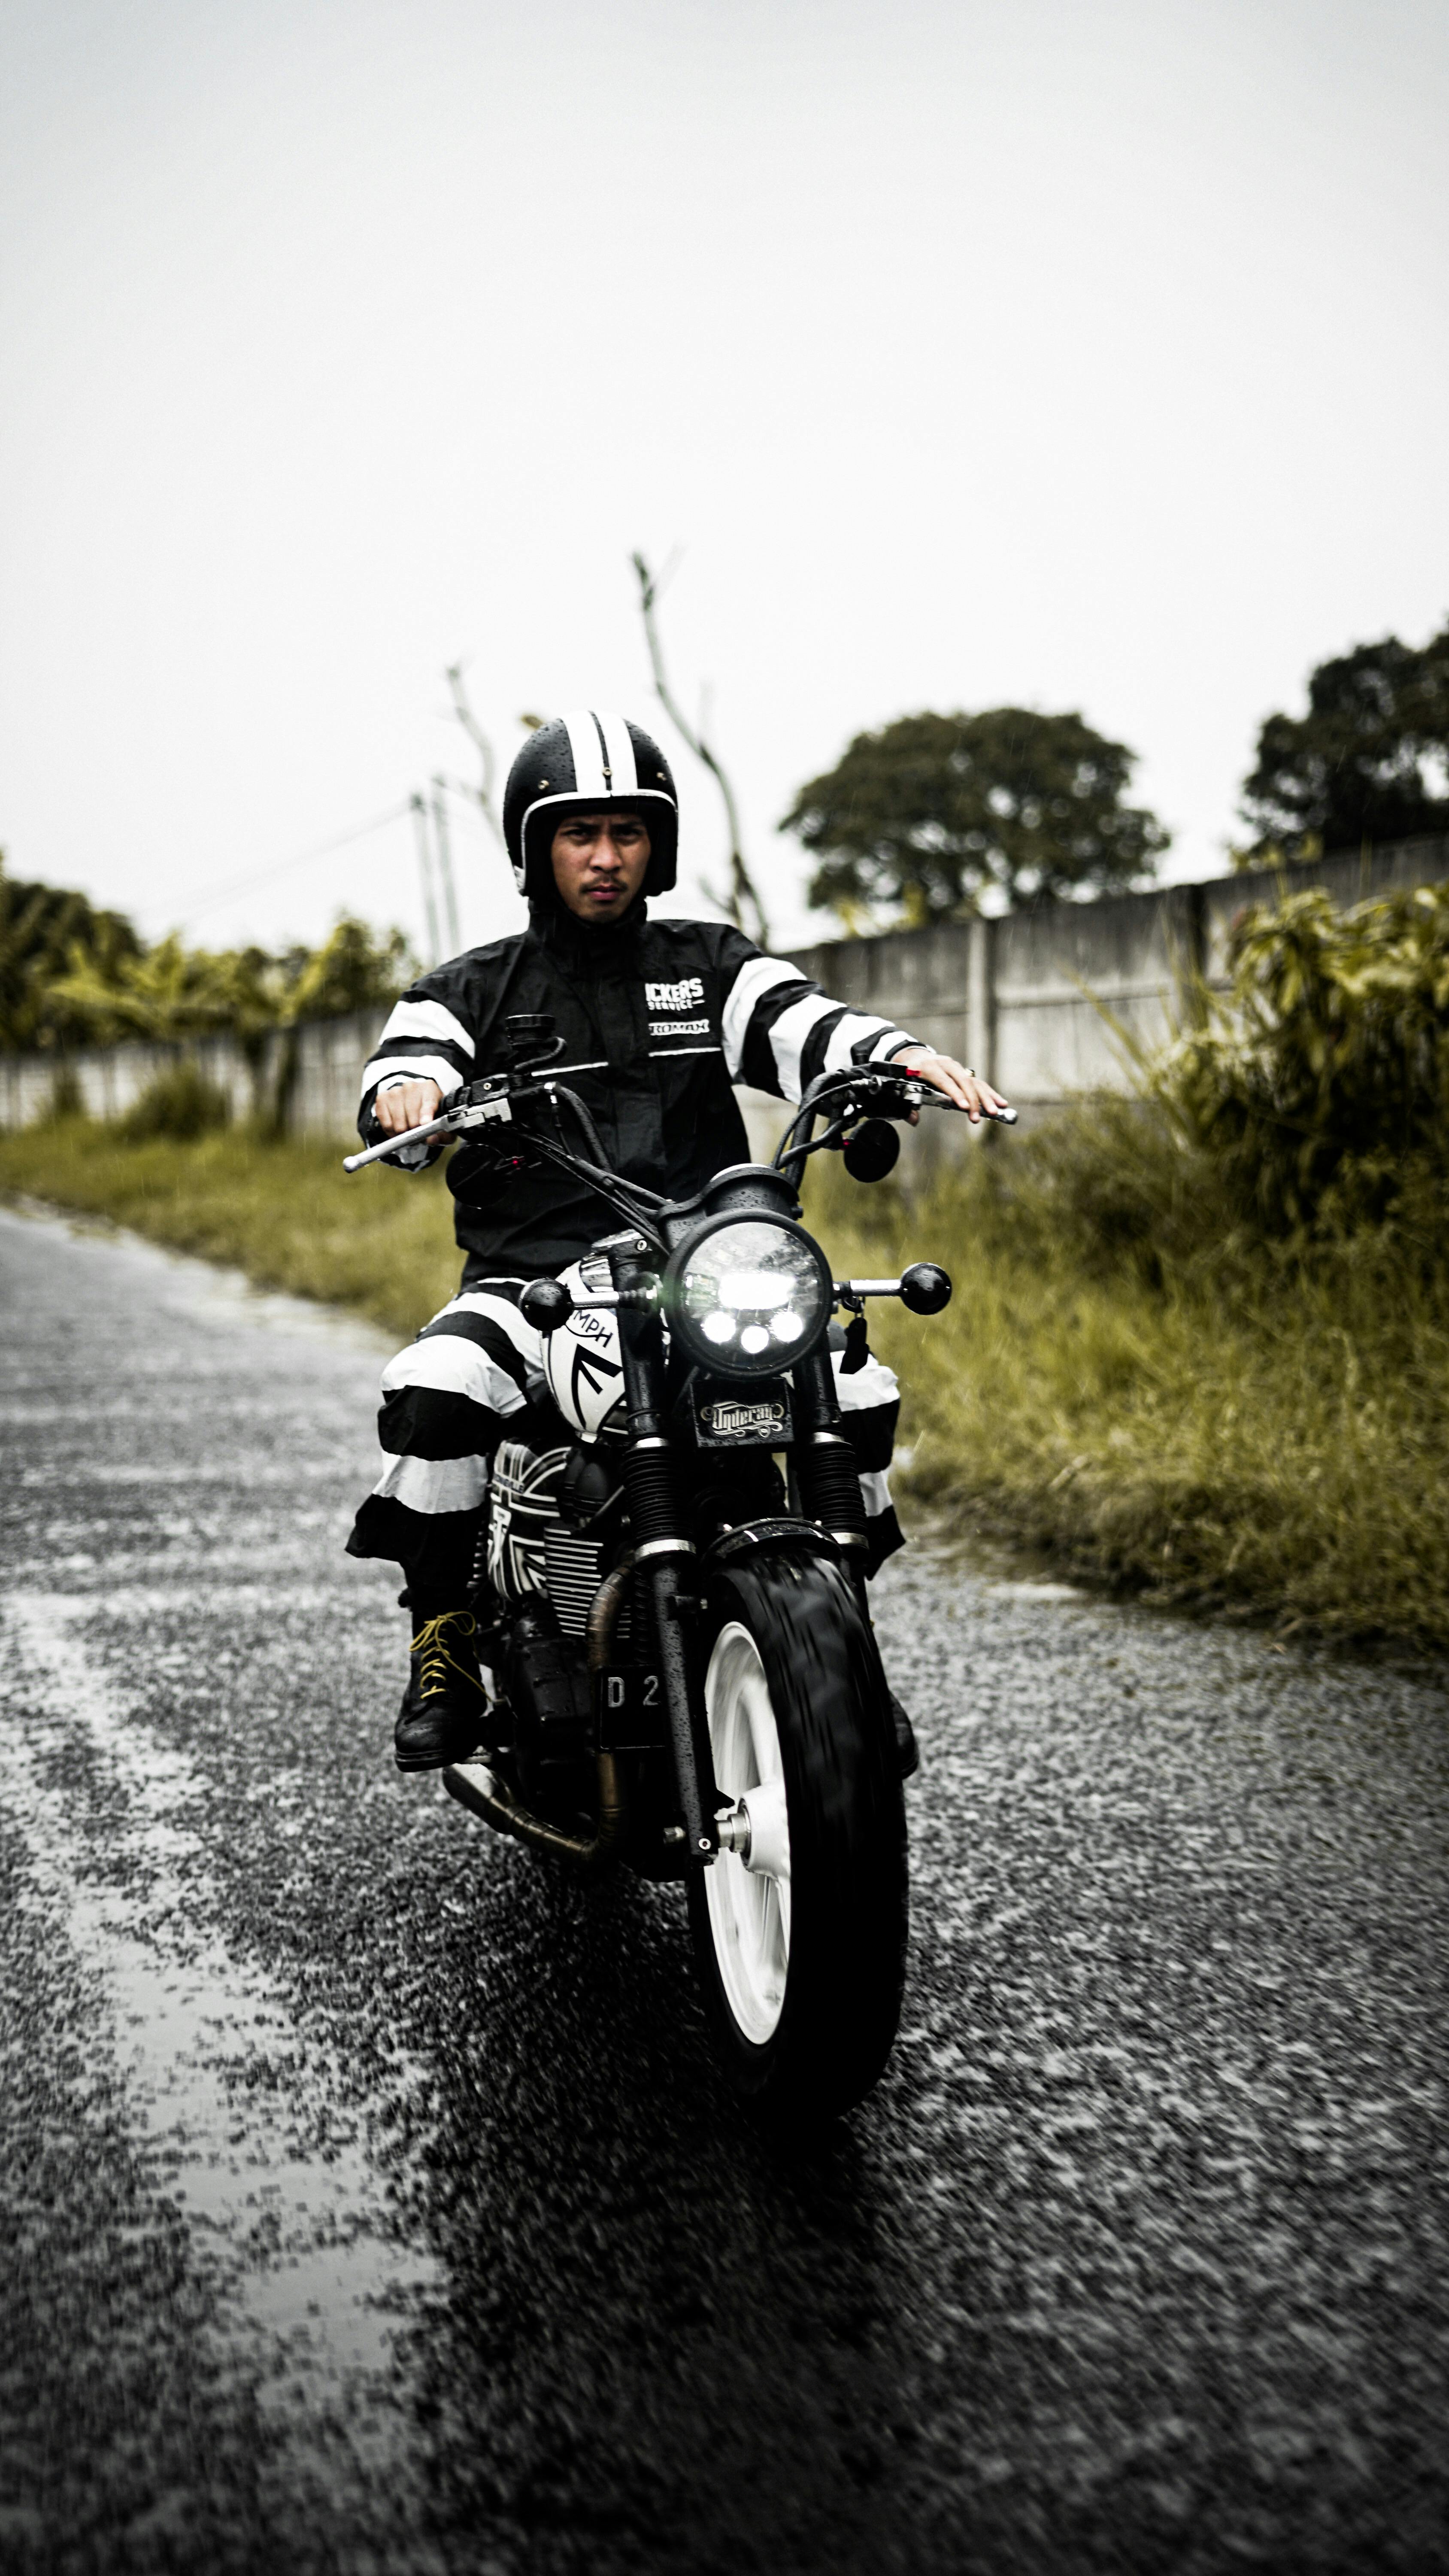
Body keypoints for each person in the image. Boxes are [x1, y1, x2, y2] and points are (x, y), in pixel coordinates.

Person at [345, 710, 1008, 1771]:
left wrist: (897, 1058)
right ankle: (444, 1638)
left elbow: (807, 1024)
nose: (605, 857)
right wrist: (411, 1091)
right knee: (436, 1384)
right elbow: (410, 1060)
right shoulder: (472, 989)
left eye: (628, 833)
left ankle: (839, 1643)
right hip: (532, 1282)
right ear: (535, 848)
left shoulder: (708, 966)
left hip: (704, 1269)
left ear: (657, 846)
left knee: (856, 1383)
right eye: (580, 835)